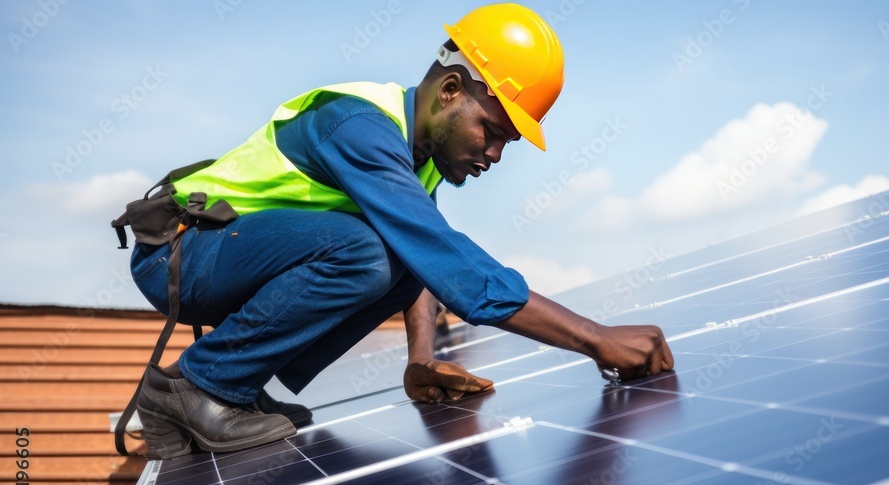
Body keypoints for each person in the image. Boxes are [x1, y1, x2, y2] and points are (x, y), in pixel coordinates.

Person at [125, 3, 673, 459]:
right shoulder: (359, 127)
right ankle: (198, 387)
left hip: (228, 255)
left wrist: (420, 359)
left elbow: (421, 258)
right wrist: (594, 338)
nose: (495, 154)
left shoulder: (418, 157)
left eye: (507, 143)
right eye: (492, 131)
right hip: (180, 252)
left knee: (390, 250)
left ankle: (231, 388)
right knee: (365, 252)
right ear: (452, 89)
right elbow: (448, 261)